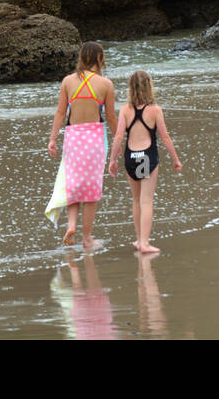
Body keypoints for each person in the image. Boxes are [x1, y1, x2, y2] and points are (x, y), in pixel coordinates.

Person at [46, 42, 117, 247]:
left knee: (73, 185)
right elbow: (111, 118)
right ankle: (87, 238)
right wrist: (121, 139)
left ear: (81, 58)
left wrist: (52, 139)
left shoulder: (68, 81)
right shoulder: (106, 84)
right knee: (91, 190)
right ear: (100, 59)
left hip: (73, 138)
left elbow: (61, 113)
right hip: (94, 139)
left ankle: (71, 225)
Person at [108, 70, 181, 254]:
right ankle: (144, 243)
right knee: (146, 201)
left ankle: (139, 238)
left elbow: (118, 137)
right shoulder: (155, 110)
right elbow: (165, 138)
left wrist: (112, 160)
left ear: (130, 88)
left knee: (136, 199)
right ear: (149, 87)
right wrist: (176, 159)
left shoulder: (125, 110)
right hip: (147, 157)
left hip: (130, 157)